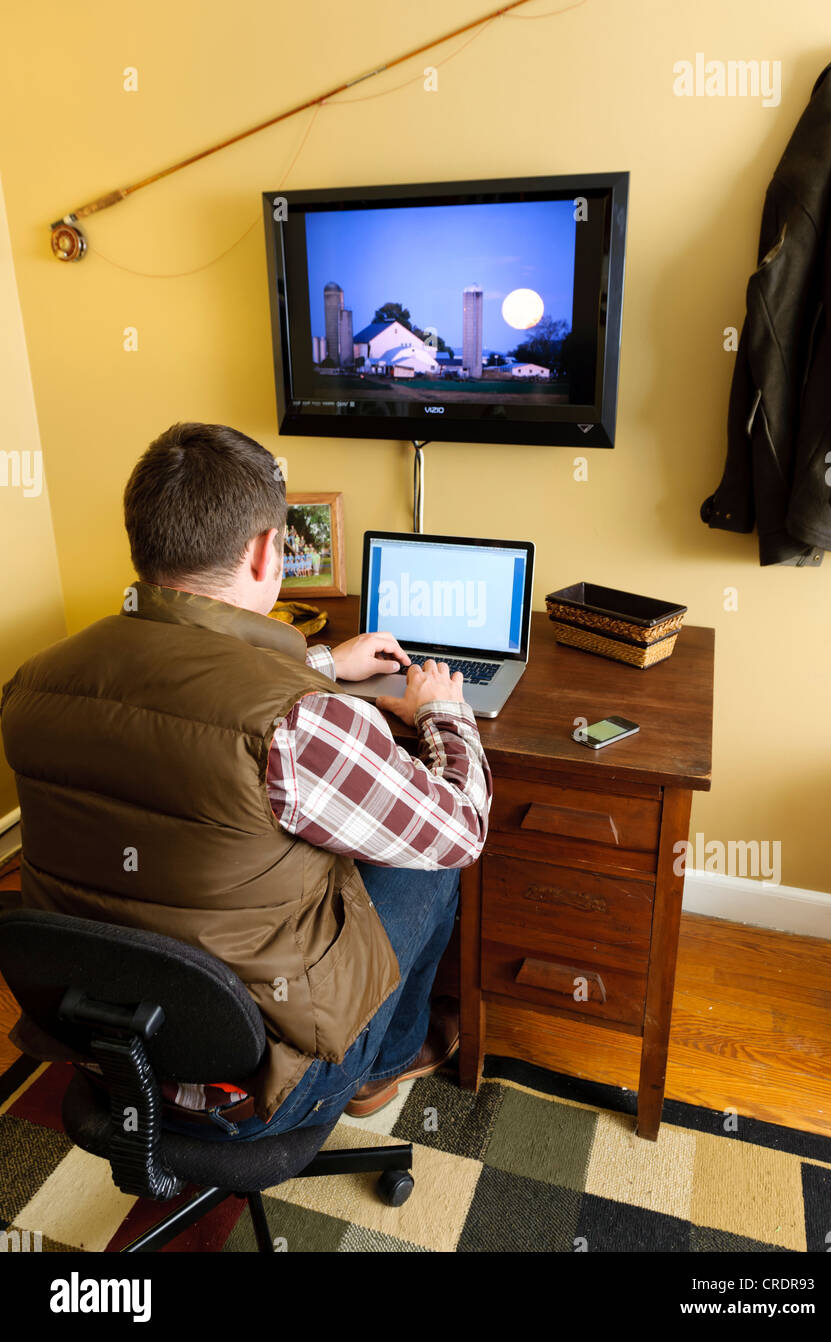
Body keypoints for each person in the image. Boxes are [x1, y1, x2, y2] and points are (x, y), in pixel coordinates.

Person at [0, 423, 492, 1140]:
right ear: (269, 551)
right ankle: (382, 1063)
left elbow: (184, 701)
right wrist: (445, 712)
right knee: (423, 857)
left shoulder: (31, 683)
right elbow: (461, 829)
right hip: (257, 1089)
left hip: (102, 1047)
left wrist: (321, 664)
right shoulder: (303, 724)